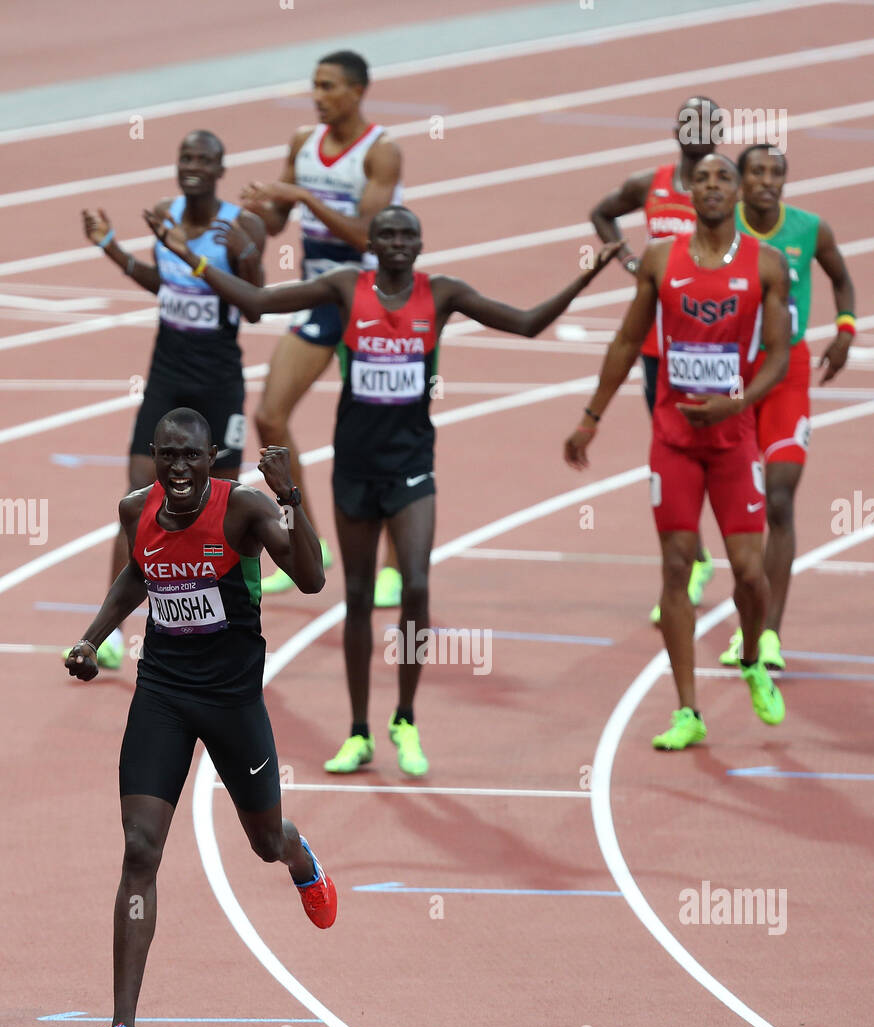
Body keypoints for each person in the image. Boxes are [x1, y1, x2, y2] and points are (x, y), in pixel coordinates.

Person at [149, 203, 621, 775]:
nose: (397, 241)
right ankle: (358, 731)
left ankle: (404, 717)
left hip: (412, 466)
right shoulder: (347, 287)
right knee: (358, 598)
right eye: (387, 234)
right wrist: (186, 254)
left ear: (419, 246)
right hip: (354, 467)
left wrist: (589, 274)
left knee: (417, 585)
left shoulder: (441, 294)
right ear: (372, 243)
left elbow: (526, 322)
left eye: (407, 234)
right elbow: (255, 303)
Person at [64, 409, 336, 1027]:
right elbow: (138, 573)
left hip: (232, 704)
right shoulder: (138, 509)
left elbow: (311, 579)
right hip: (162, 694)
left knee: (263, 840)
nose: (178, 469)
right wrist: (93, 636)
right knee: (139, 848)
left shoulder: (241, 509)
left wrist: (291, 497)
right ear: (154, 457)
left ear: (211, 457)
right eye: (167, 456)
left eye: (191, 456)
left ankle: (298, 855)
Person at [565, 154, 791, 750]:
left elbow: (778, 356)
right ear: (689, 192)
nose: (712, 186)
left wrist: (735, 403)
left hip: (733, 442)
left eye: (725, 179)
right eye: (704, 179)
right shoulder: (663, 261)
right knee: (675, 565)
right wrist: (591, 418)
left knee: (749, 572)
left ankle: (750, 659)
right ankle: (688, 709)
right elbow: (625, 340)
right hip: (674, 441)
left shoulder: (765, 265)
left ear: (739, 193)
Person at [81, 130, 266, 668]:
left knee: (225, 503)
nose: (194, 165)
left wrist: (244, 255)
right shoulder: (165, 213)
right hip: (166, 373)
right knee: (139, 494)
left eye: (205, 158)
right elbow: (162, 284)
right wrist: (110, 245)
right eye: (186, 156)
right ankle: (112, 631)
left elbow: (254, 306)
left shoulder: (242, 225)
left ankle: (236, 617)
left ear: (221, 167)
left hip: (218, 379)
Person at [239, 49, 405, 606]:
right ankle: (306, 539)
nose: (319, 95)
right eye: (315, 85)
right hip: (318, 300)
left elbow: (367, 236)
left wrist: (306, 196)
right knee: (269, 415)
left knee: (383, 438)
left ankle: (393, 566)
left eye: (330, 86)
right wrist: (257, 210)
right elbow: (280, 220)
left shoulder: (381, 153)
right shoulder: (301, 144)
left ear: (358, 91)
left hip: (371, 303)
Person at [718, 143, 857, 670]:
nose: (767, 181)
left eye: (776, 173)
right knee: (741, 508)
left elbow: (841, 276)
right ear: (739, 181)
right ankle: (745, 623)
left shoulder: (809, 229)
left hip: (786, 373)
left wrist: (845, 328)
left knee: (778, 500)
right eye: (756, 172)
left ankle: (768, 634)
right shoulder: (719, 226)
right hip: (731, 371)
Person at [591, 95, 724, 621]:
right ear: (676, 130)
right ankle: (692, 560)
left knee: (720, 452)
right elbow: (601, 213)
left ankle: (714, 554)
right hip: (658, 346)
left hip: (717, 348)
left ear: (718, 131)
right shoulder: (651, 184)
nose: (695, 130)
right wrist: (626, 259)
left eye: (706, 122)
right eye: (687, 121)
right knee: (673, 454)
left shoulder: (726, 190)